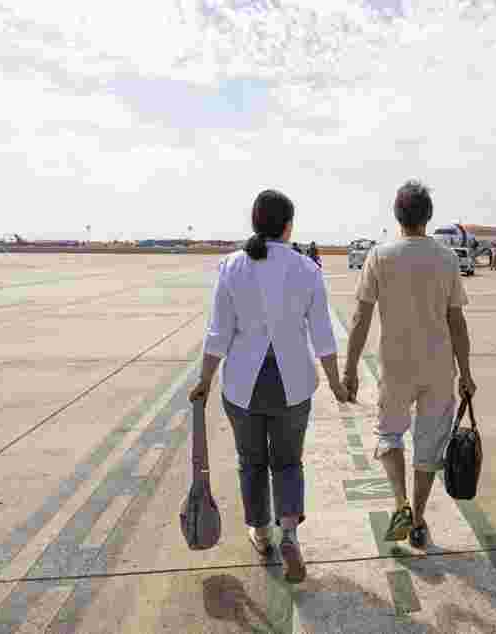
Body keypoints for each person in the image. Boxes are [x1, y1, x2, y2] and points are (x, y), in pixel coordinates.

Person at [189, 189, 349, 583]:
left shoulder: (232, 267)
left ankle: (261, 534)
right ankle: (289, 532)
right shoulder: (307, 269)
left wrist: (205, 380)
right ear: (288, 226)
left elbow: (218, 333)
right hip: (292, 384)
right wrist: (336, 383)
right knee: (288, 462)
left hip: (243, 385)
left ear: (255, 222)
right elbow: (323, 336)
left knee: (252, 462)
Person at [343, 180, 476, 549]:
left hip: (395, 366)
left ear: (396, 215)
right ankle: (417, 519)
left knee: (389, 435)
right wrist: (466, 373)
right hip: (438, 367)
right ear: (428, 216)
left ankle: (399, 502)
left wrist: (350, 368)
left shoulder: (379, 256)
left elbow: (361, 317)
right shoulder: (447, 259)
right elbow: (457, 322)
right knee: (429, 446)